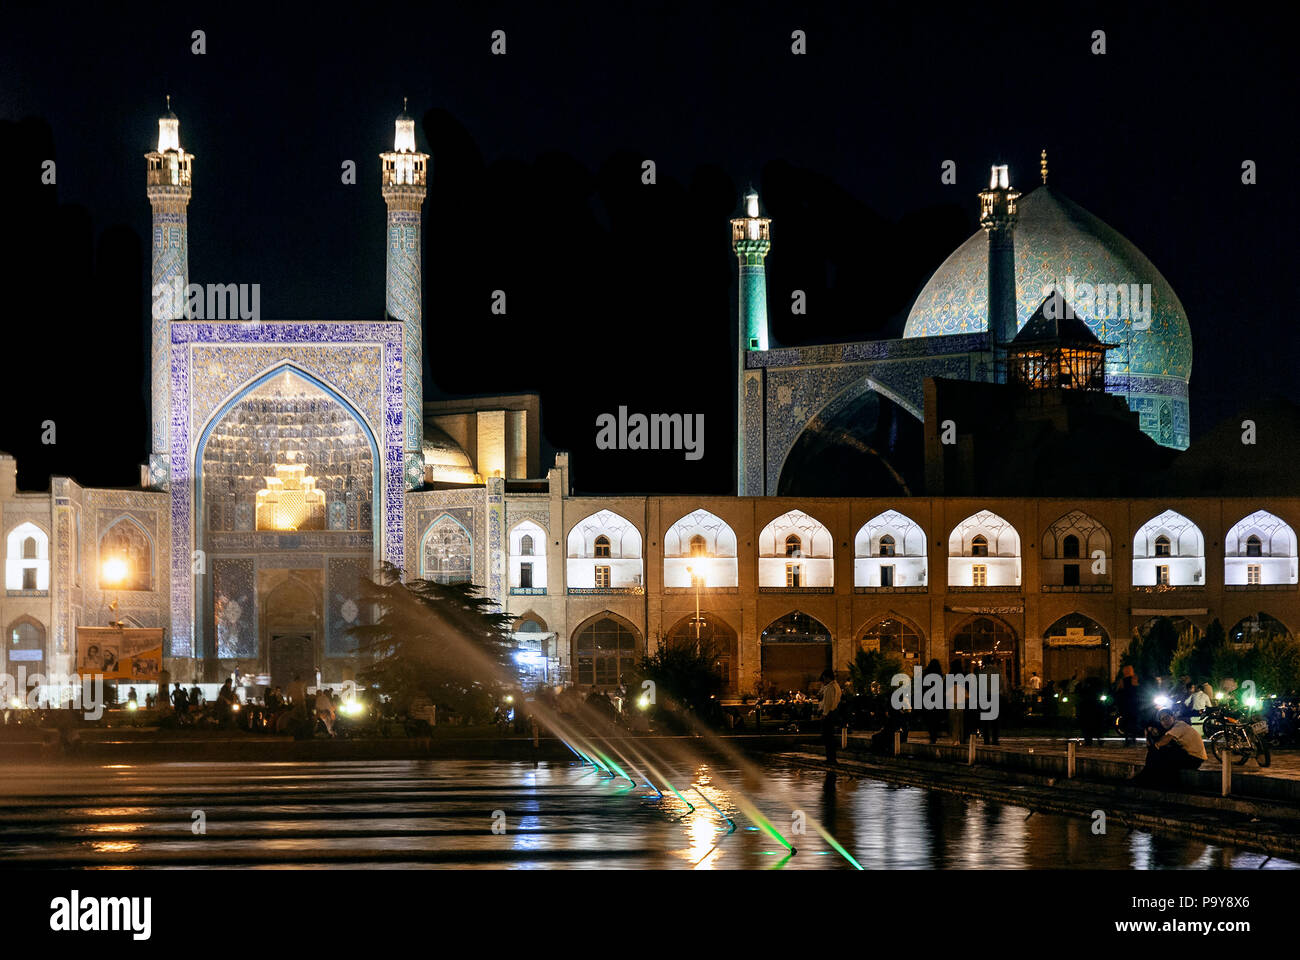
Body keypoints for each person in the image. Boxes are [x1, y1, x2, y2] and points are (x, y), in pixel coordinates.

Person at [1132, 708, 1206, 788]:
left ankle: (1144, 778)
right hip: (1190, 756)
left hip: (1194, 759)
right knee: (1162, 753)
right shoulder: (1174, 728)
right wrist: (1147, 736)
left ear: (1173, 717)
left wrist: (1154, 748)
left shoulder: (1180, 725)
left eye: (1167, 718)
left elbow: (1164, 741)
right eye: (1162, 720)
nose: (1165, 721)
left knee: (1159, 751)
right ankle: (1149, 779)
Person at [818, 669, 842, 765]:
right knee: (830, 737)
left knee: (828, 737)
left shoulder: (830, 687)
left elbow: (828, 702)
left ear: (826, 677)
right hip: (834, 713)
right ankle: (831, 758)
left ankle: (830, 759)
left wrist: (824, 714)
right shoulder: (836, 686)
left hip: (828, 714)